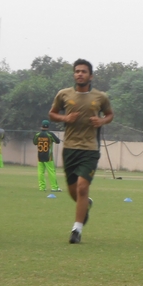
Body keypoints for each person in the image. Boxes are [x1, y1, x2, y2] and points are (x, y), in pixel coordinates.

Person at [49, 59, 114, 244]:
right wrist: (65, 118)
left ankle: (76, 230)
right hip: (69, 148)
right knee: (73, 191)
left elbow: (110, 114)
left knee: (82, 187)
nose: (80, 74)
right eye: (77, 71)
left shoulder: (100, 97)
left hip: (90, 149)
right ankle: (87, 204)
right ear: (74, 74)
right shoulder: (63, 94)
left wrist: (102, 121)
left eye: (84, 71)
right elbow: (52, 114)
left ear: (90, 76)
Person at [33, 120, 62, 192]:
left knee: (40, 172)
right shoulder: (50, 134)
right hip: (48, 157)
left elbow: (34, 142)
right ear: (48, 126)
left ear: (41, 126)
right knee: (51, 172)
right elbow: (57, 141)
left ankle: (42, 187)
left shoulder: (37, 134)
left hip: (40, 156)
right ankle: (54, 187)